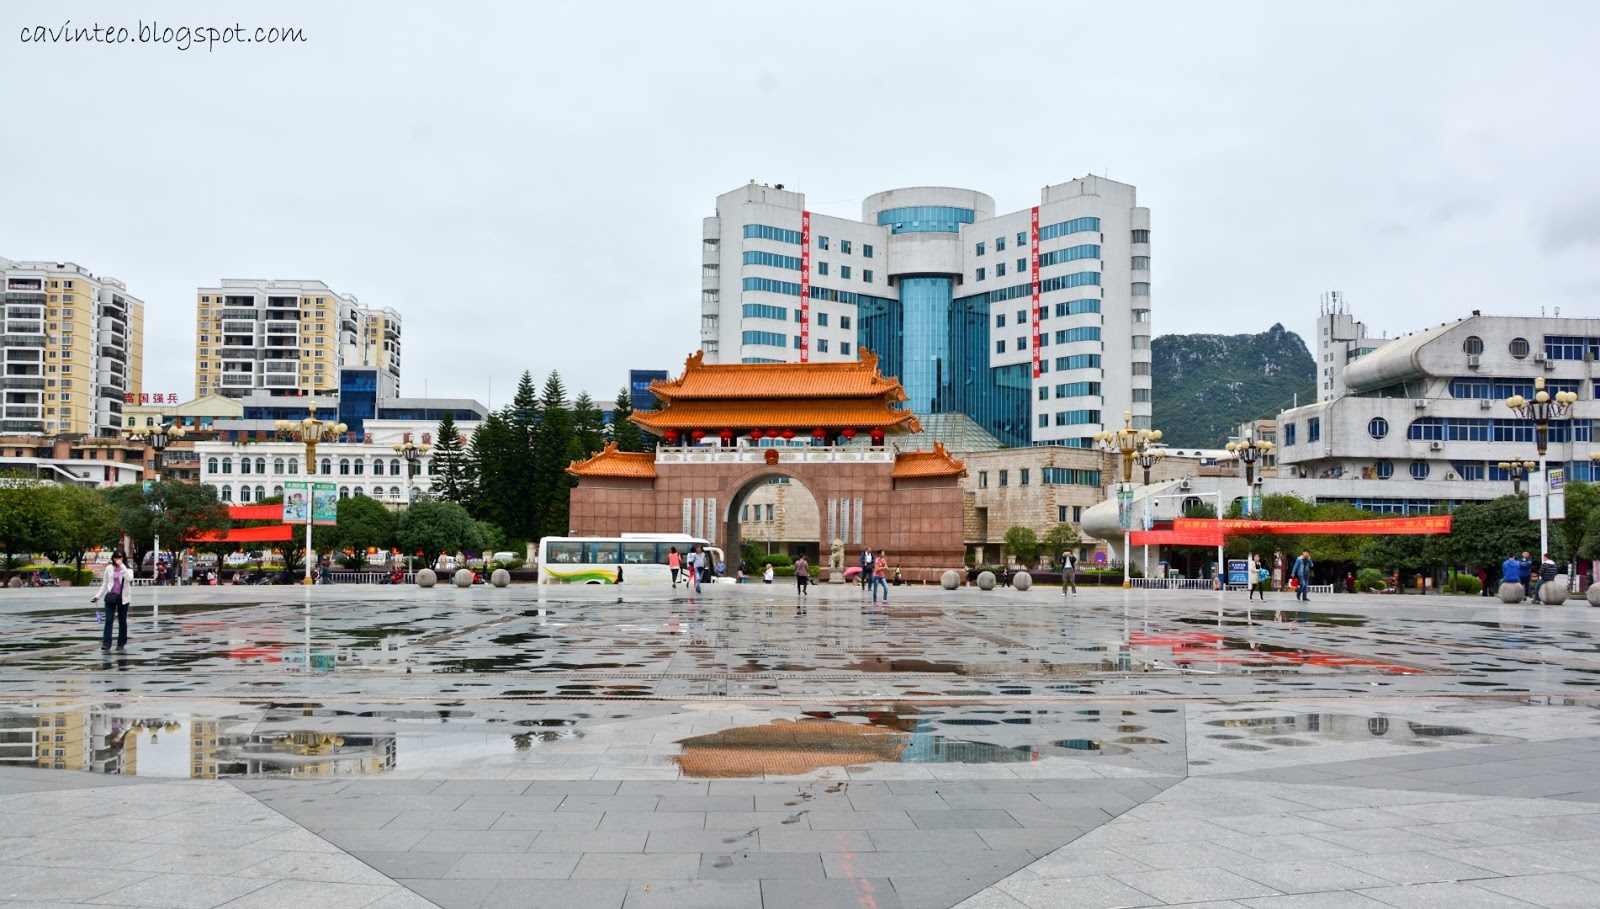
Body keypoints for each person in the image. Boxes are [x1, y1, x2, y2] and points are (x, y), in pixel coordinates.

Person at [92, 554, 134, 651]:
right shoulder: (109, 568)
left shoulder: (128, 569)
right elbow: (105, 584)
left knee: (122, 621)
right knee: (109, 621)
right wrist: (97, 596)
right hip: (111, 597)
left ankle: (121, 643)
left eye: (120, 558)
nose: (117, 560)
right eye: (115, 558)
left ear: (123, 558)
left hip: (123, 598)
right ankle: (106, 643)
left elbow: (130, 579)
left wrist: (122, 565)